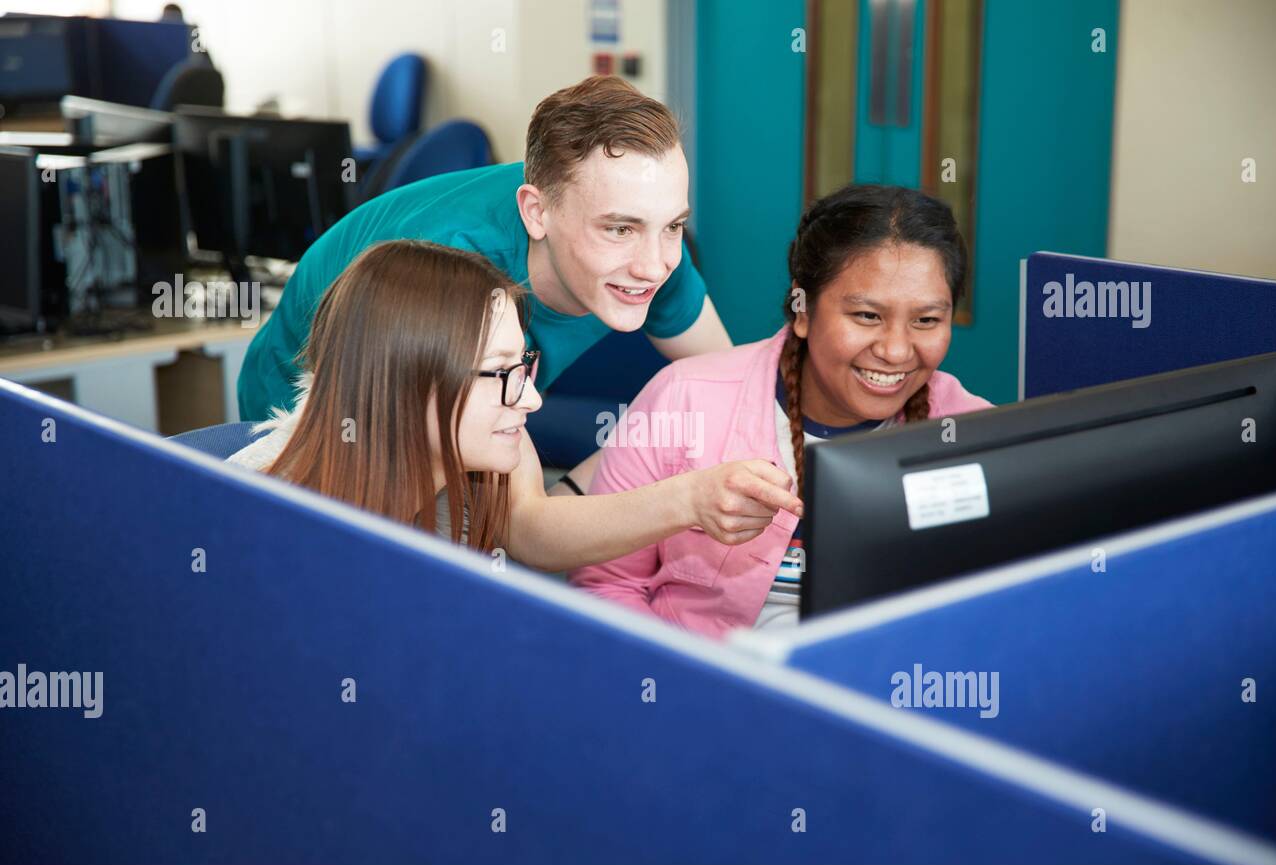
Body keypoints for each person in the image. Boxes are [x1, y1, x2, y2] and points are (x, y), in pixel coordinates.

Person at [237, 75, 733, 497]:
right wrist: (681, 497)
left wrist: (582, 486)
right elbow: (533, 531)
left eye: (673, 225)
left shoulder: (651, 247)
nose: (655, 266)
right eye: (619, 229)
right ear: (537, 213)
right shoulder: (461, 272)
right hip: (321, 407)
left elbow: (729, 389)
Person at [569, 184, 994, 635]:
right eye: (867, 316)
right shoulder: (683, 399)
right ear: (803, 311)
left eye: (926, 320)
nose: (895, 351)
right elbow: (605, 584)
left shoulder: (972, 432)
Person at [229, 239, 802, 571]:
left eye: (523, 366)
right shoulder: (264, 529)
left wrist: (694, 498)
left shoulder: (465, 486)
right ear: (409, 380)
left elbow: (537, 527)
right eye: (503, 373)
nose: (530, 397)